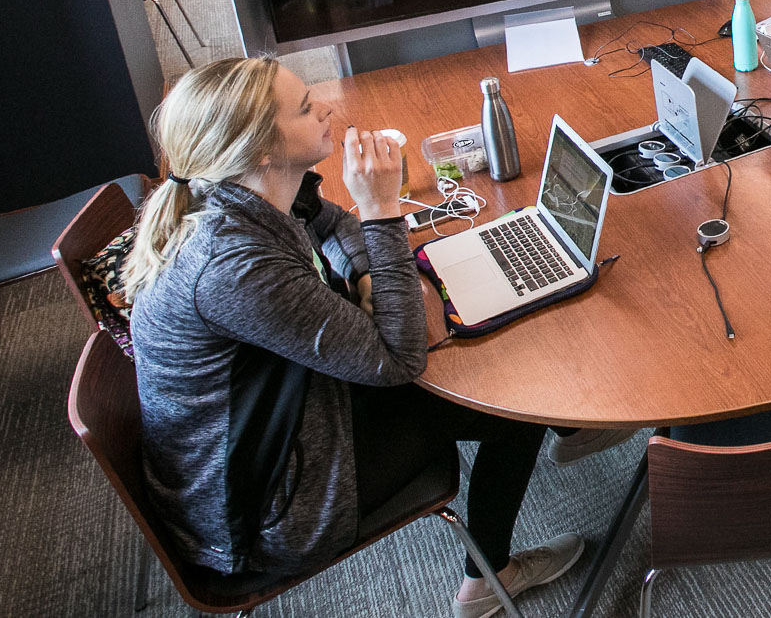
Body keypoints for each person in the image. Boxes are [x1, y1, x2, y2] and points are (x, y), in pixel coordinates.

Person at [123, 58, 613, 618]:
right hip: (267, 510)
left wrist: (364, 276)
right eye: (305, 108)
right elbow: (399, 359)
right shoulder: (233, 267)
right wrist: (382, 209)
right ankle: (487, 581)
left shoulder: (249, 192)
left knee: (475, 347)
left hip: (277, 424)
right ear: (260, 150)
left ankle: (571, 426)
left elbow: (333, 223)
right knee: (508, 408)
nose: (327, 108)